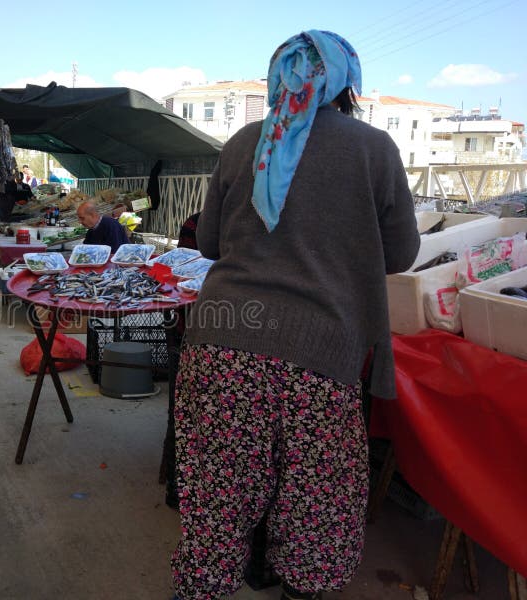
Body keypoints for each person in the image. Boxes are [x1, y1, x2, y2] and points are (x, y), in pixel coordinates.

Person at [171, 31, 420, 600]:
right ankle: (299, 587)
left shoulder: (241, 144)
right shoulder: (374, 148)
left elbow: (207, 242)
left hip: (220, 344)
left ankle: (203, 586)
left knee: (216, 496)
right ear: (345, 84)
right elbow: (402, 254)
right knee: (316, 499)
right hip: (318, 355)